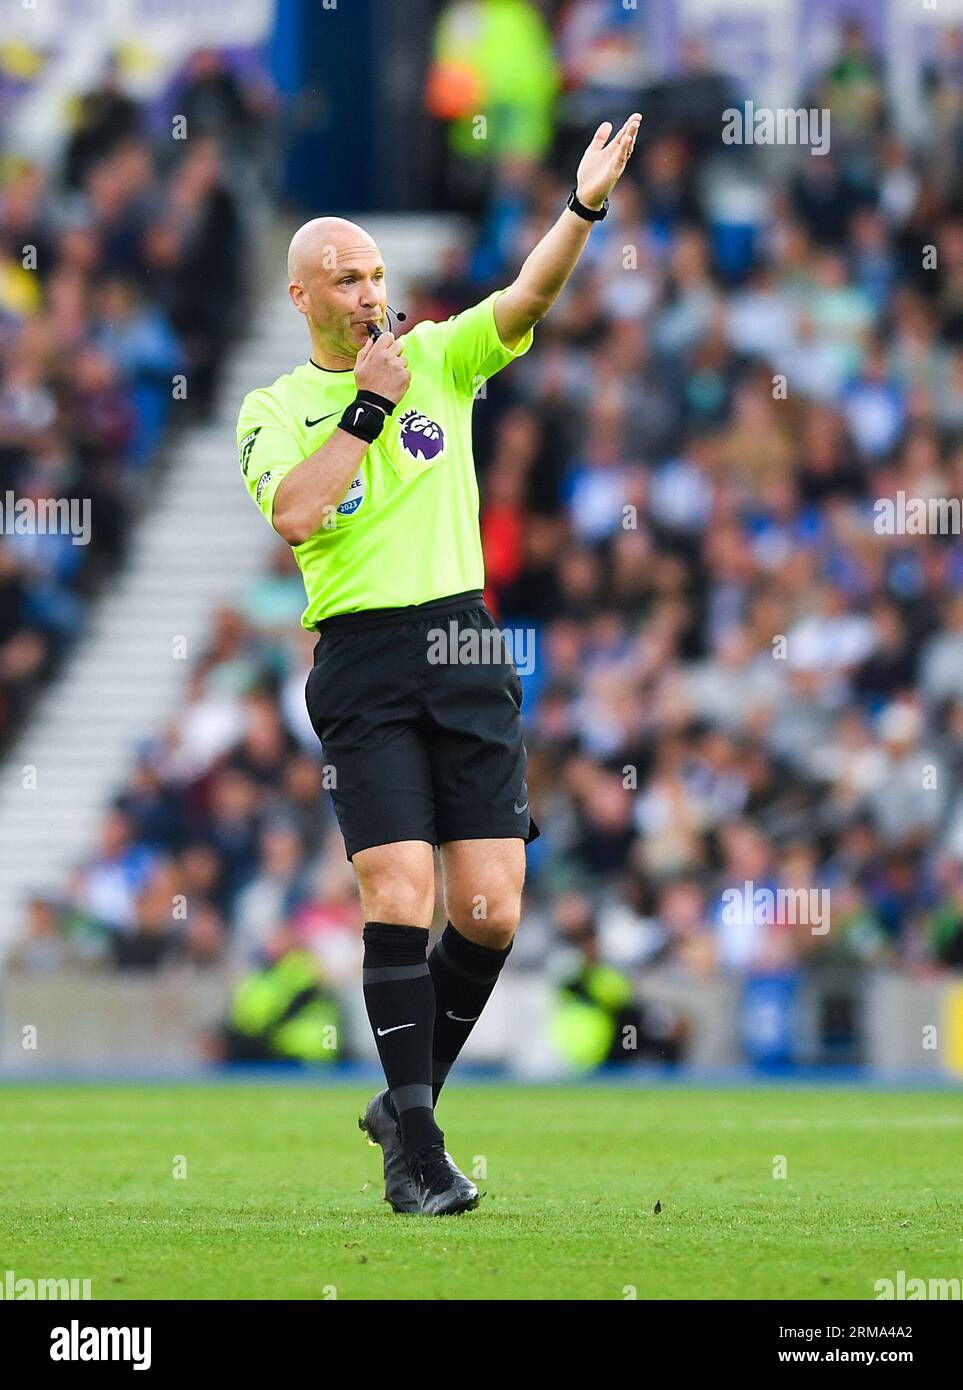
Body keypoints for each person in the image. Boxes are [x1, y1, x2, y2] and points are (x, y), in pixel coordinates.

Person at [236, 113, 642, 1215]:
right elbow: (299, 512)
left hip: (465, 641)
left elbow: (528, 297)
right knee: (400, 890)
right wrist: (368, 407)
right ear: (303, 299)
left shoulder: (440, 357)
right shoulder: (275, 409)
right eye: (344, 277)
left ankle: (405, 1102)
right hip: (363, 653)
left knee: (494, 907)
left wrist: (583, 208)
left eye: (375, 272)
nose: (369, 291)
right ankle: (417, 1147)